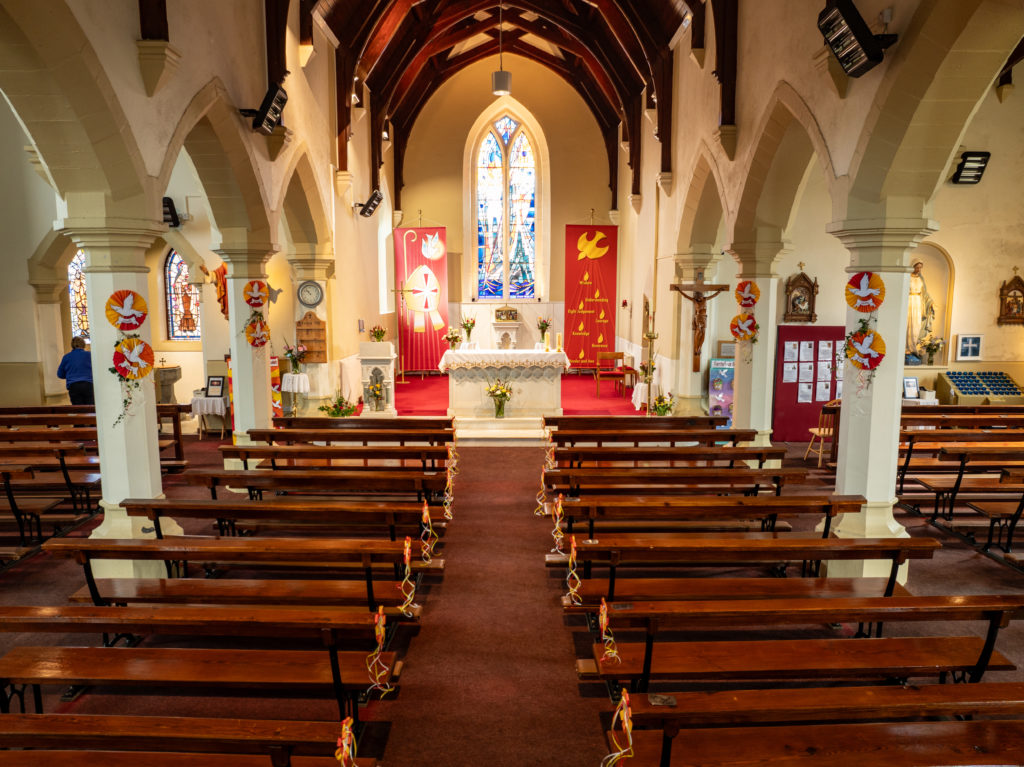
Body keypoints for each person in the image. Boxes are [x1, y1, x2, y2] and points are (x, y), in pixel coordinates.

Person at [906, 261, 935, 355]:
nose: (918, 269)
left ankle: (913, 347)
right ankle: (906, 347)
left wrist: (931, 302)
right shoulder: (907, 277)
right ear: (912, 267)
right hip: (909, 301)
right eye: (917, 267)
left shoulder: (921, 278)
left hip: (918, 302)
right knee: (907, 324)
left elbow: (925, 293)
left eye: (920, 267)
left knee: (916, 325)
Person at [57, 336, 94, 405]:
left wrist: (70, 374)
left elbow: (60, 374)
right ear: (83, 344)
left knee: (78, 410)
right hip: (88, 384)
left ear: (72, 345)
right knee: (90, 409)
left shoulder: (66, 357)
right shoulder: (90, 355)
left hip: (73, 386)